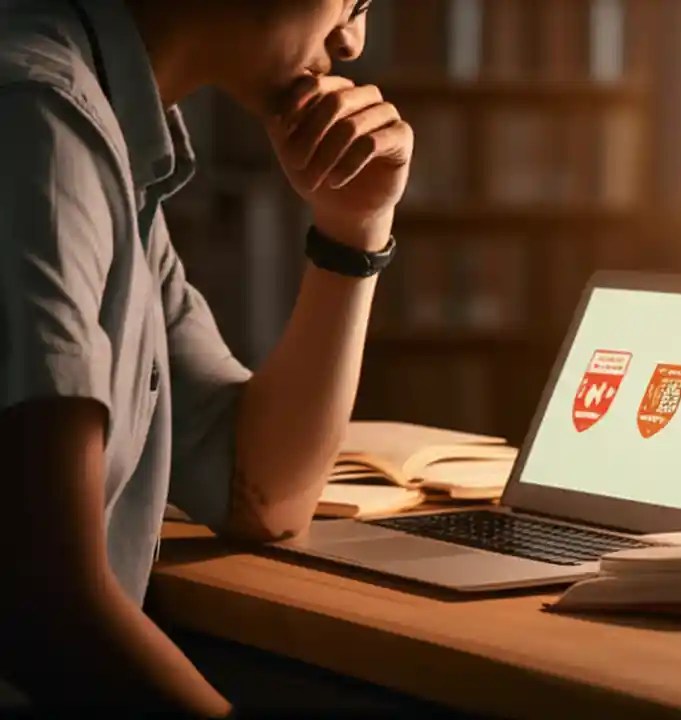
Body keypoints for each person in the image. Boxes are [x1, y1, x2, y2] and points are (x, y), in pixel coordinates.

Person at [0, 0, 413, 713]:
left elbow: (258, 497)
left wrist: (354, 232)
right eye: (354, 2)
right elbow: (45, 609)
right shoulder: (38, 120)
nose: (350, 42)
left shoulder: (106, 131)